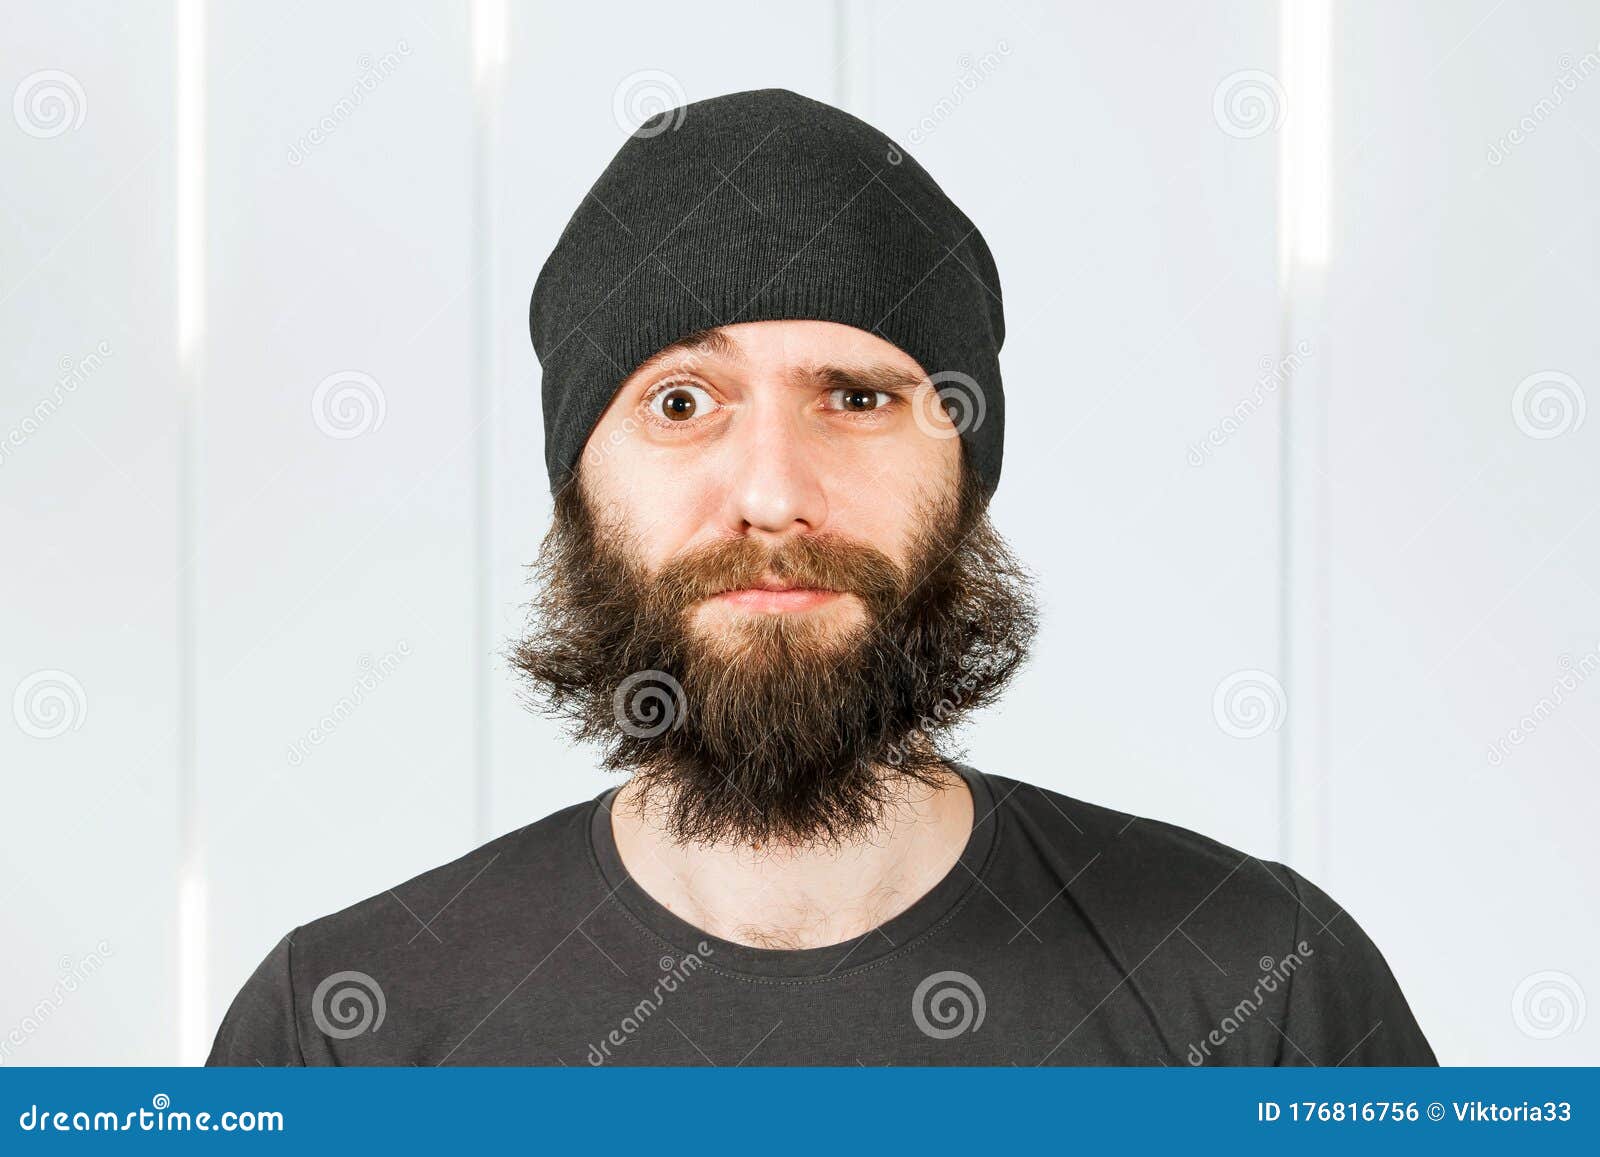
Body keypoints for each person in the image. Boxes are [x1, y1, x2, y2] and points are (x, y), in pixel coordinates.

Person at [208, 88, 1435, 1067]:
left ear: (963, 467)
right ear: (576, 483)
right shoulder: (343, 1033)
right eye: (680, 401)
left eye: (857, 397)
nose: (773, 491)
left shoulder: (1260, 983)